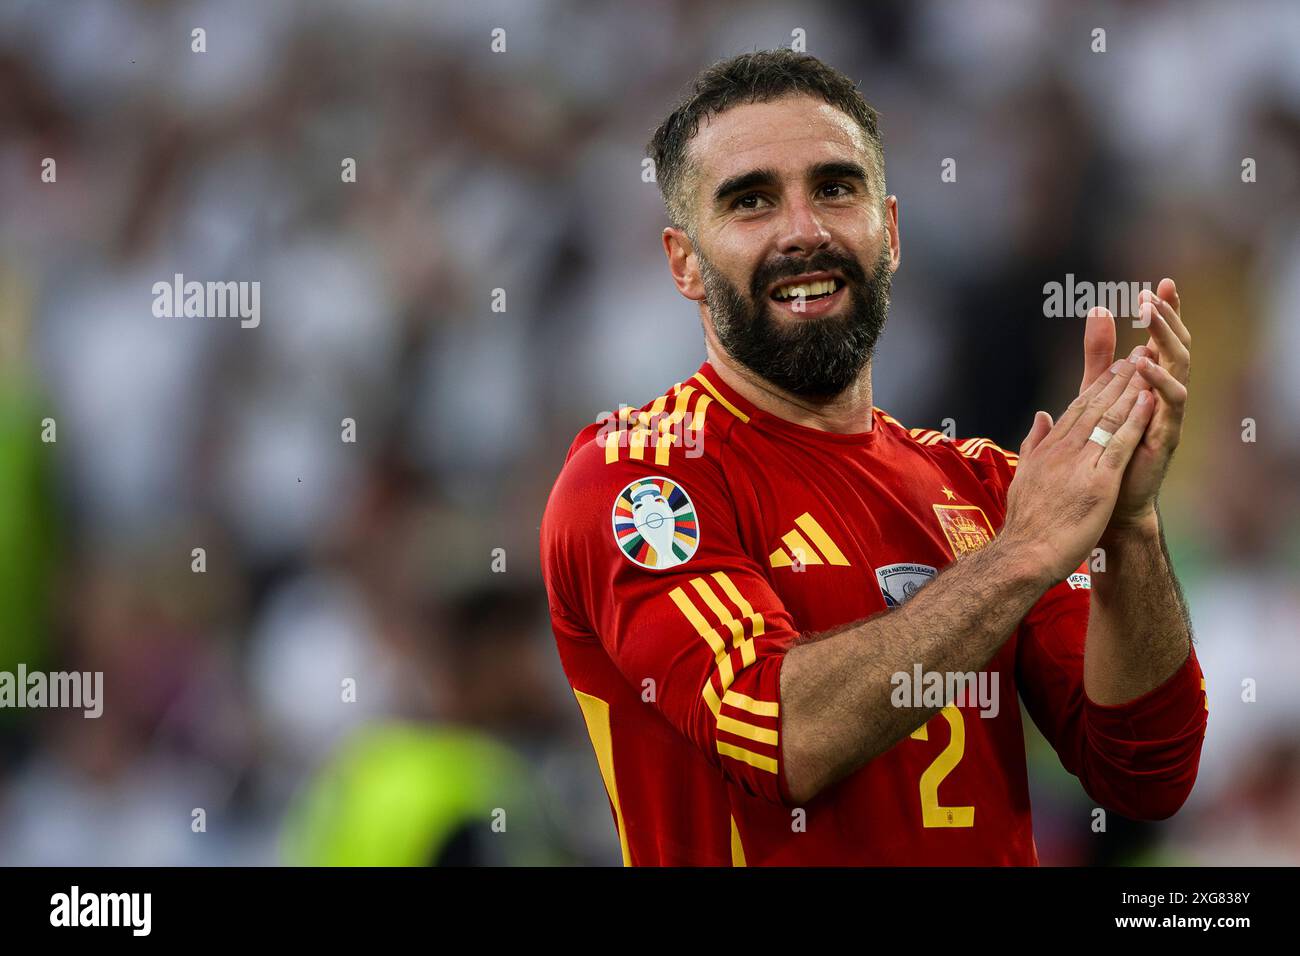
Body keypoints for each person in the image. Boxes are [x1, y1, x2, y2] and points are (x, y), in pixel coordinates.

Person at [539, 50, 1205, 865]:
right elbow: (780, 734)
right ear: (684, 261)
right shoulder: (639, 476)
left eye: (834, 187)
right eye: (751, 201)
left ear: (888, 231)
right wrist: (1024, 553)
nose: (803, 231)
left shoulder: (985, 486)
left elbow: (1148, 773)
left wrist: (1130, 530)